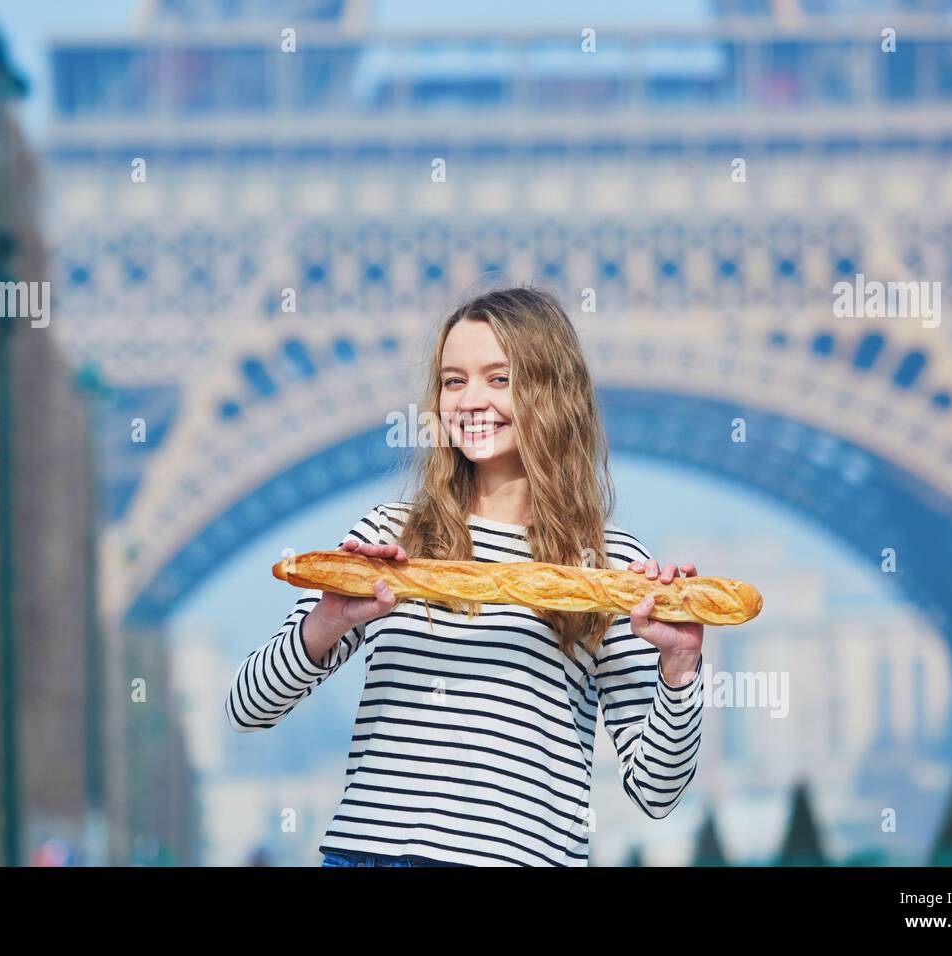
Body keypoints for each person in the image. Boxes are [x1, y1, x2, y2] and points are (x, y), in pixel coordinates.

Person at [226, 285, 705, 867]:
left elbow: (655, 791)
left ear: (553, 392)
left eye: (499, 379)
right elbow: (246, 708)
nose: (470, 400)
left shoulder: (609, 568)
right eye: (454, 381)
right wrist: (326, 622)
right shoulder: (392, 535)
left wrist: (679, 669)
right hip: (368, 854)